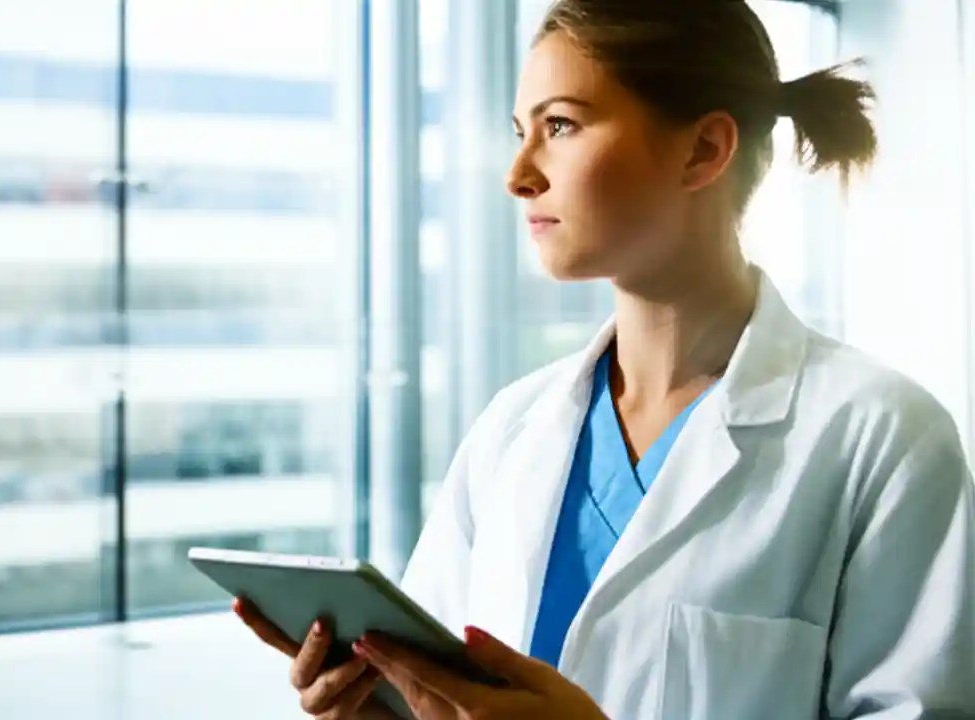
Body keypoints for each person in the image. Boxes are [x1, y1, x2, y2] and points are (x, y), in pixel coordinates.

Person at [235, 1, 975, 717]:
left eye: (560, 125)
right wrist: (375, 712)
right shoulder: (511, 431)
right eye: (520, 130)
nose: (518, 172)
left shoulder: (882, 438)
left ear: (703, 150)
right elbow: (440, 690)